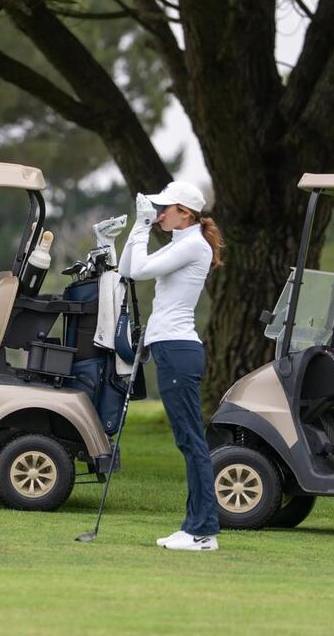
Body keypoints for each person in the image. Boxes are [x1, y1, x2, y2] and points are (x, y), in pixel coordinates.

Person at [118, 180, 224, 552]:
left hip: (178, 349)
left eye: (166, 208)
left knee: (192, 441)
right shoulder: (184, 243)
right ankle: (193, 525)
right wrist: (139, 226)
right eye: (158, 208)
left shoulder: (193, 244)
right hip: (169, 348)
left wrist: (143, 226)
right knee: (186, 439)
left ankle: (204, 531)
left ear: (186, 213)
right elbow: (128, 267)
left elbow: (139, 270)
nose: (160, 213)